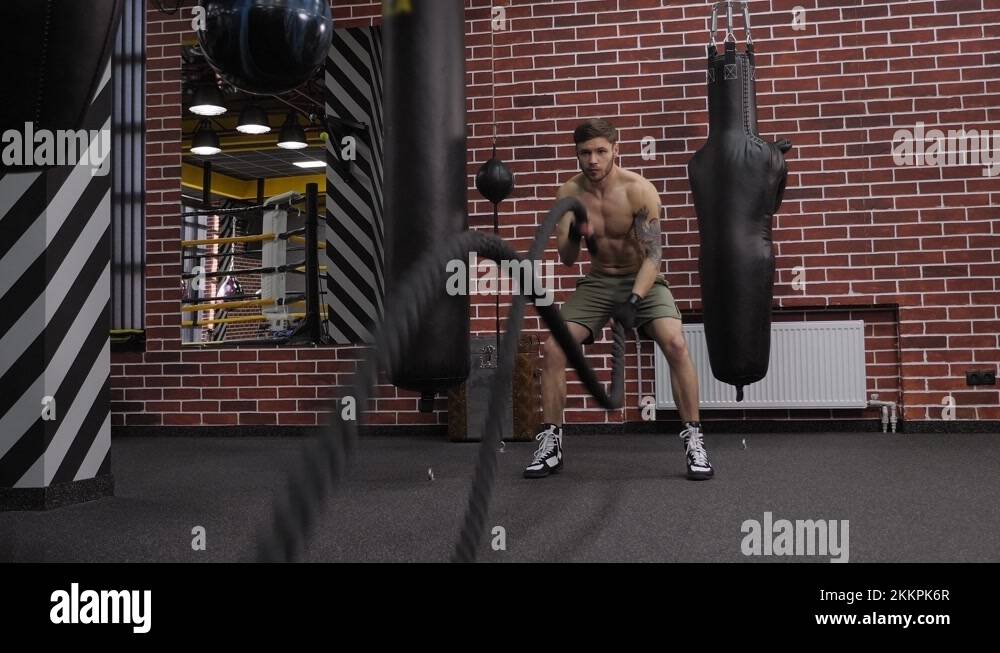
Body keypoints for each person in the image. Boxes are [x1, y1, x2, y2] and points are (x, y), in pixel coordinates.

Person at [524, 118, 713, 481]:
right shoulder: (570, 193)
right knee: (553, 349)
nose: (592, 160)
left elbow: (654, 255)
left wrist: (634, 298)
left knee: (675, 343)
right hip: (598, 283)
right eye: (584, 153)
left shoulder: (639, 190)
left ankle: (694, 440)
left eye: (600, 152)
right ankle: (551, 442)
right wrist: (576, 235)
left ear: (615, 150)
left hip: (642, 279)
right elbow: (565, 257)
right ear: (576, 154)